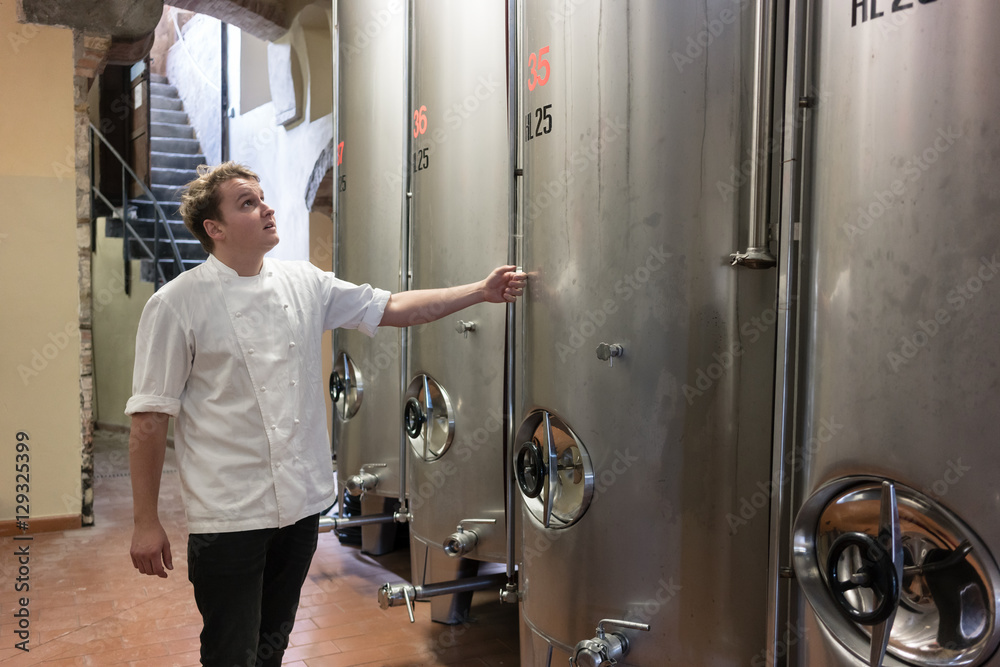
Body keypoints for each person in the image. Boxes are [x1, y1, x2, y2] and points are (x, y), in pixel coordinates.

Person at [125, 162, 525, 667]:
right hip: (228, 514)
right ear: (215, 228)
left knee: (274, 640)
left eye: (263, 197)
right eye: (247, 202)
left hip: (300, 502)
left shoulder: (303, 282)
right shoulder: (176, 304)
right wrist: (145, 522)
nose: (266, 207)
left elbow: (394, 306)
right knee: (230, 650)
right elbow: (149, 419)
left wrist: (480, 291)